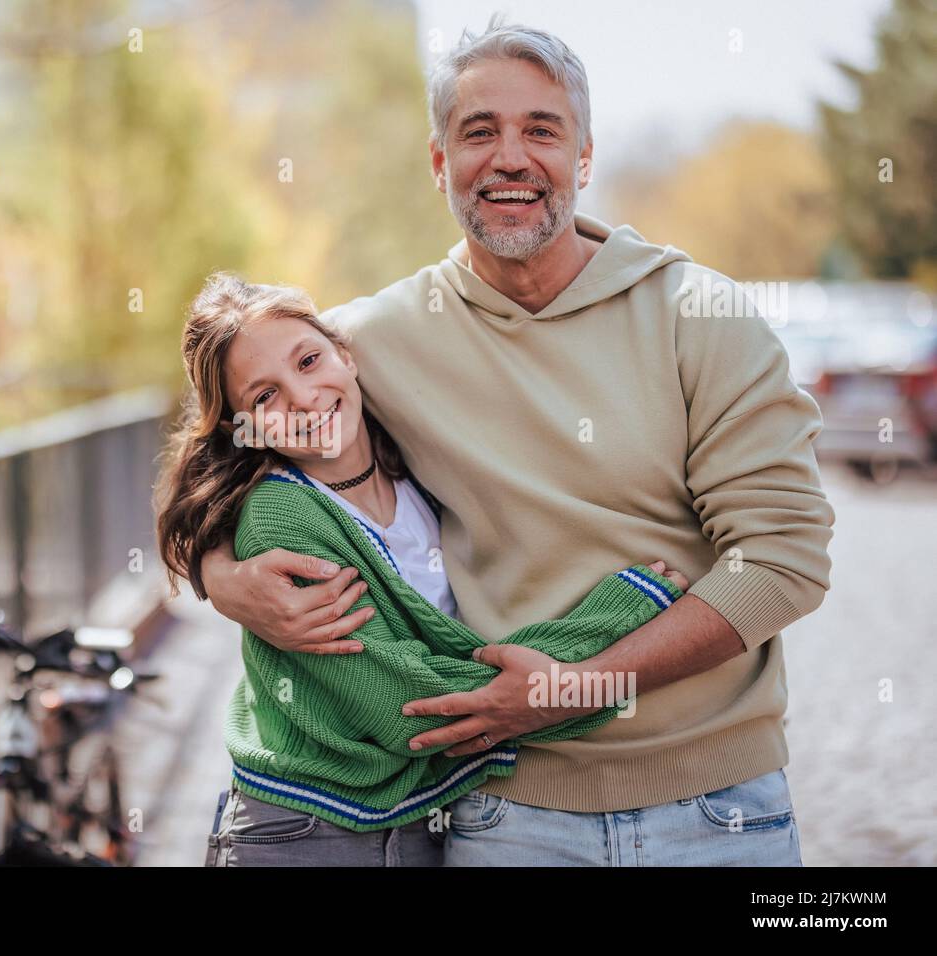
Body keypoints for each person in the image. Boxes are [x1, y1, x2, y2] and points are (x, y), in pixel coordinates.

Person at [193, 18, 833, 866]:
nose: (510, 158)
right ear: (438, 163)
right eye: (478, 132)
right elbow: (224, 431)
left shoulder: (699, 317)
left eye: (541, 129)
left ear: (584, 156)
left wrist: (573, 690)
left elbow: (784, 559)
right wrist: (223, 576)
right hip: (504, 816)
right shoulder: (368, 343)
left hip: (718, 809)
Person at [154, 272, 689, 866]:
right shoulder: (282, 518)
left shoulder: (418, 470)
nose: (303, 398)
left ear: (346, 355)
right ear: (243, 429)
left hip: (425, 822)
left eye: (308, 361)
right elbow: (404, 703)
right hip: (307, 832)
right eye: (264, 397)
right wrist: (618, 616)